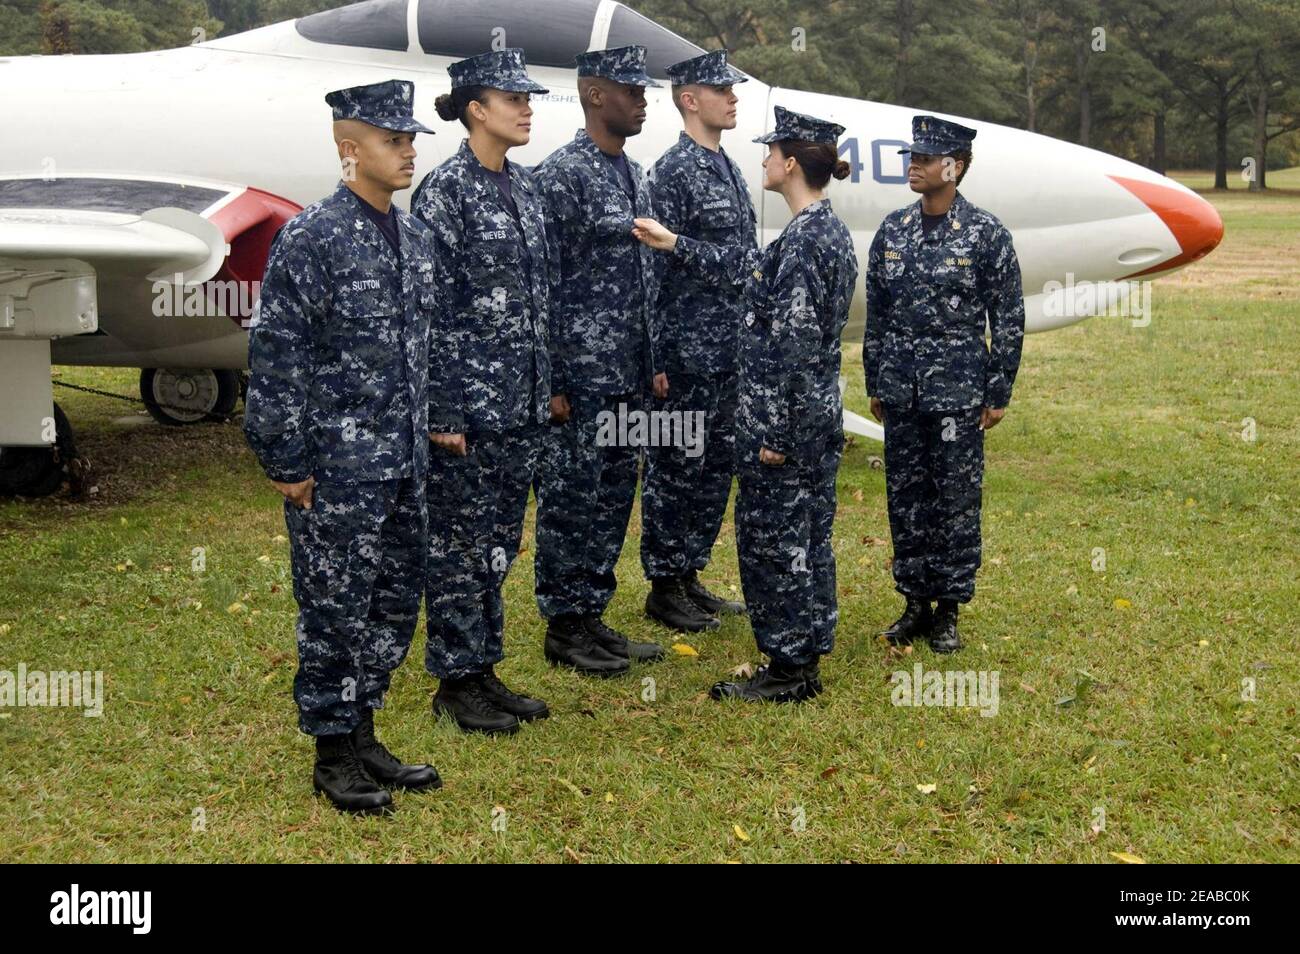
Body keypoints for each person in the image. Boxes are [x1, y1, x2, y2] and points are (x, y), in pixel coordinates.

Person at [244, 79, 441, 815]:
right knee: (334, 608)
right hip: (339, 468)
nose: (408, 151)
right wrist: (287, 462)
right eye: (394, 140)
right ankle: (332, 752)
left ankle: (363, 730)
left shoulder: (414, 238)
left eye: (411, 139)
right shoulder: (314, 237)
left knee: (392, 604)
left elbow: (425, 352)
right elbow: (277, 358)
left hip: (404, 464)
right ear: (350, 149)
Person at [633, 105, 858, 702]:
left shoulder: (804, 244)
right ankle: (807, 649)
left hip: (784, 425)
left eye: (769, 154)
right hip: (813, 416)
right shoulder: (822, 232)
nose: (761, 161)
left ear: (788, 165)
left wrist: (774, 436)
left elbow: (793, 344)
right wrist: (675, 242)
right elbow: (747, 268)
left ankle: (788, 670)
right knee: (808, 536)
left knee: (773, 544)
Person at [412, 49, 553, 734]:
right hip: (468, 406)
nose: (527, 108)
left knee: (500, 540)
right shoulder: (444, 193)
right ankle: (454, 682)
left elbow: (540, 301)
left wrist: (545, 388)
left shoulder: (524, 190)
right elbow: (427, 310)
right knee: (458, 545)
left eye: (529, 98)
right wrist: (442, 410)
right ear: (476, 108)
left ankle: (483, 670)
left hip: (519, 403)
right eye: (514, 98)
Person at [864, 114, 1025, 654]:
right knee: (905, 496)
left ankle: (949, 609)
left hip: (958, 393)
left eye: (926, 158)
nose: (914, 165)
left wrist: (998, 390)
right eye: (913, 156)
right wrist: (876, 379)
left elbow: (1008, 316)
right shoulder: (893, 230)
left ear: (953, 168)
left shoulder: (986, 234)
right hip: (902, 391)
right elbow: (878, 314)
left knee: (954, 499)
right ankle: (914, 602)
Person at [532, 45, 666, 676]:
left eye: (643, 91)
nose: (642, 101)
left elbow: (644, 277)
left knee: (614, 493)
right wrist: (553, 378)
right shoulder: (562, 176)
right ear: (593, 95)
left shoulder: (637, 174)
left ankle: (591, 614)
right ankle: (563, 626)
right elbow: (543, 283)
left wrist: (654, 360)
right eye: (630, 91)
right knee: (571, 497)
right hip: (581, 380)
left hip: (629, 374)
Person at [639, 49, 755, 634]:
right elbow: (653, 269)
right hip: (684, 354)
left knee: (713, 468)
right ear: (690, 99)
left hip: (726, 351)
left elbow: (743, 262)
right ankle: (663, 585)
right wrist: (657, 357)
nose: (733, 97)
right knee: (676, 467)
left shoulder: (730, 169)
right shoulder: (672, 172)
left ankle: (688, 576)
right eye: (721, 90)